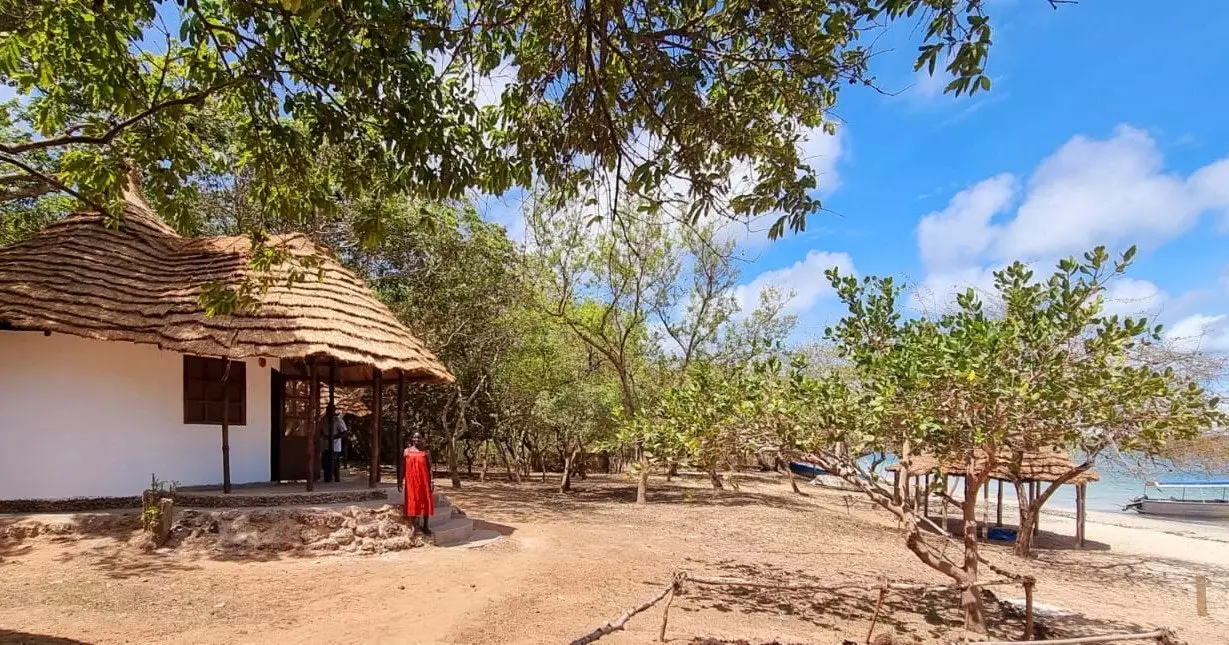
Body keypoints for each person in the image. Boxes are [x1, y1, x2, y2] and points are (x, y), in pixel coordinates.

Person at [403, 432, 435, 534]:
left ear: (422, 439)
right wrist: (400, 480)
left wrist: (432, 481)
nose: (416, 439)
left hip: (424, 481)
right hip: (411, 481)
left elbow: (430, 468)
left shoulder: (426, 452)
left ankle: (426, 526)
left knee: (425, 501)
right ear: (411, 438)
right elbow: (403, 467)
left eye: (419, 437)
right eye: (414, 437)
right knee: (412, 501)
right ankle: (414, 527)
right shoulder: (406, 451)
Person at [318, 403, 347, 483]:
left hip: (335, 444)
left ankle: (336, 478)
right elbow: (320, 431)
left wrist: (333, 437)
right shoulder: (323, 419)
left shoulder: (338, 420)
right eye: (328, 410)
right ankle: (327, 478)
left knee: (333, 461)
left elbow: (344, 432)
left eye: (331, 410)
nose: (329, 411)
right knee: (325, 462)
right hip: (325, 444)